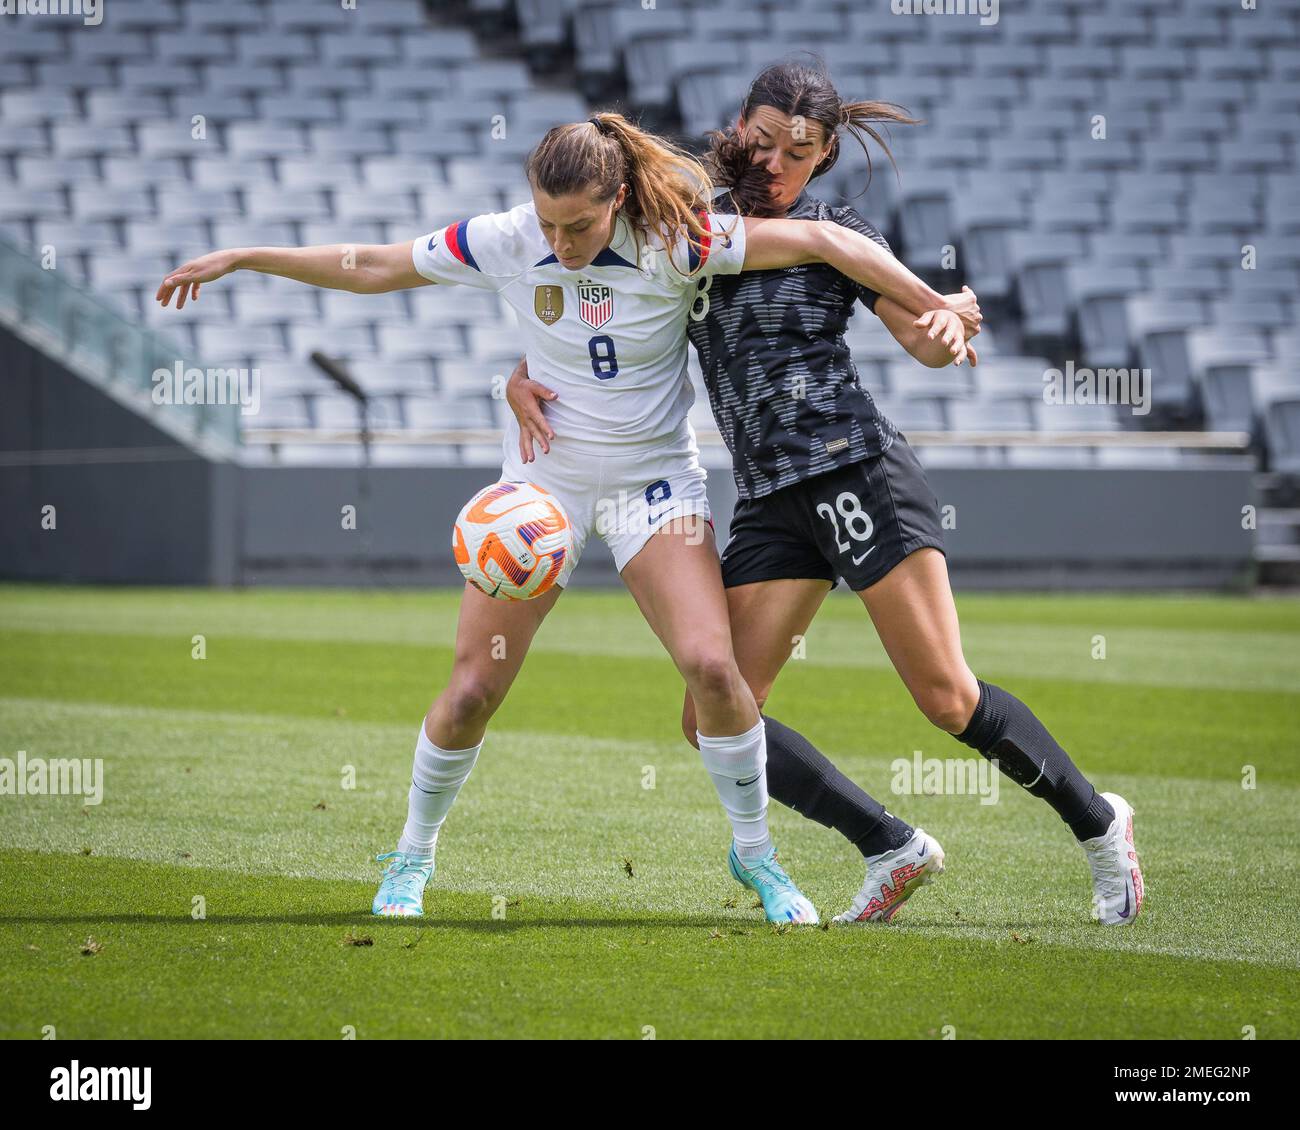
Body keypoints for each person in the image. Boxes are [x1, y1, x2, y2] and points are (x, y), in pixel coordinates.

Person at [156, 110, 977, 924]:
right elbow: (371, 265)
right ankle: (411, 855)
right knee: (475, 688)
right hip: (540, 492)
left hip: (654, 489)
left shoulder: (678, 242)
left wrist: (935, 299)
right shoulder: (508, 238)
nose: (561, 240)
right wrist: (248, 258)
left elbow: (828, 243)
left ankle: (757, 857)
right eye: (549, 222)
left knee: (716, 674)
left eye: (578, 224)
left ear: (617, 197)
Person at [509, 66, 1143, 928]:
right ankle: (889, 842)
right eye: (761, 140)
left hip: (853, 470)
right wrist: (521, 378)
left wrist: (944, 323)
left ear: (825, 156)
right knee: (711, 714)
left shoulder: (835, 229)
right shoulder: (683, 221)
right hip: (770, 497)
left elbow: (919, 342)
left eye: (796, 151)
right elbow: (586, 306)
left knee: (946, 698)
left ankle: (1101, 827)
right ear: (739, 127)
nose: (773, 161)